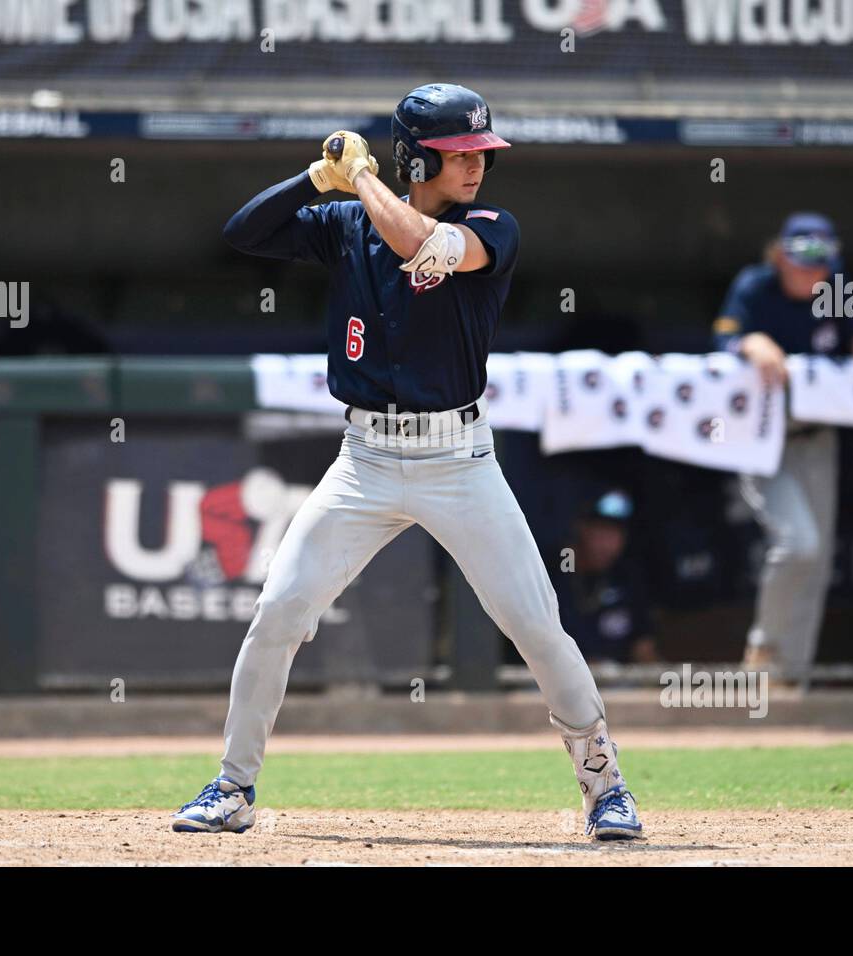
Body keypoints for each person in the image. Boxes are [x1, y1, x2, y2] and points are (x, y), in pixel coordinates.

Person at [171, 84, 642, 841]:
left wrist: (360, 179)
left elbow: (420, 244)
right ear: (418, 156)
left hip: (459, 458)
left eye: (481, 153)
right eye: (460, 154)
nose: (477, 166)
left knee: (533, 624)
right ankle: (232, 785)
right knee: (280, 610)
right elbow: (242, 233)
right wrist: (314, 179)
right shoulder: (350, 223)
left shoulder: (493, 226)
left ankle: (605, 785)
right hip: (364, 459)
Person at [713, 213, 853, 683]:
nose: (812, 273)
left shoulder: (838, 288)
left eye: (820, 264)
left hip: (817, 438)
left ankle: (789, 679)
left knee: (817, 562)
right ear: (780, 256)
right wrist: (749, 342)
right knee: (798, 544)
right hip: (762, 436)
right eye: (802, 263)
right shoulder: (756, 286)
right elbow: (722, 338)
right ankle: (762, 650)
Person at [552, 489, 657, 664]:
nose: (607, 545)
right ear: (581, 528)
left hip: (618, 683)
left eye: (615, 534)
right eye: (601, 532)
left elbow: (643, 645)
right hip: (554, 677)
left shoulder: (625, 574)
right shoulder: (561, 565)